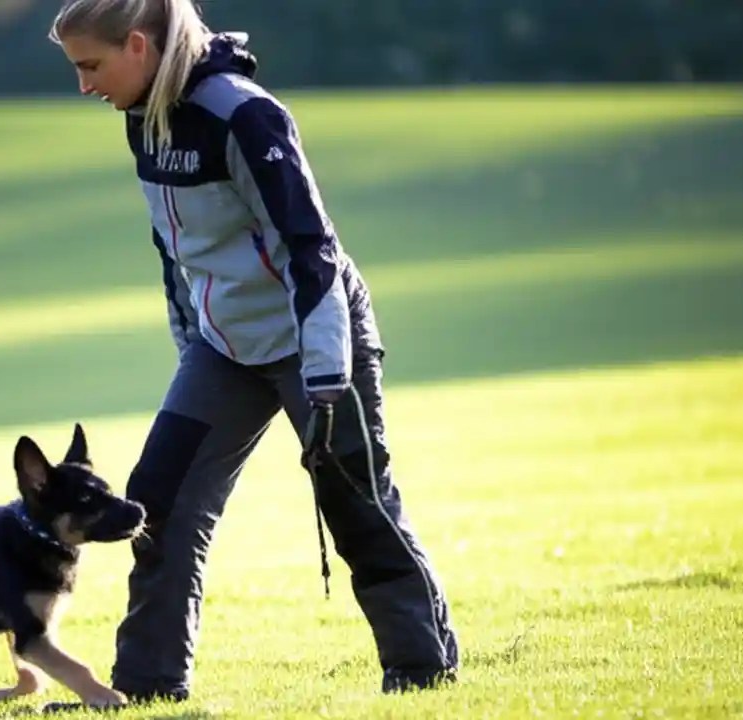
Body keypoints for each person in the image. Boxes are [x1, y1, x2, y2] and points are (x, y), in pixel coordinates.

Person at [49, 0, 459, 702]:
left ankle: (423, 671)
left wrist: (328, 375)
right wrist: (190, 343)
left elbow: (313, 250)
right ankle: (147, 687)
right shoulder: (139, 118)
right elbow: (171, 245)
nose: (85, 86)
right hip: (223, 351)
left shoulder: (245, 115)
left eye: (92, 65)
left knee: (355, 500)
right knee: (159, 505)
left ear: (139, 46)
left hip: (313, 338)